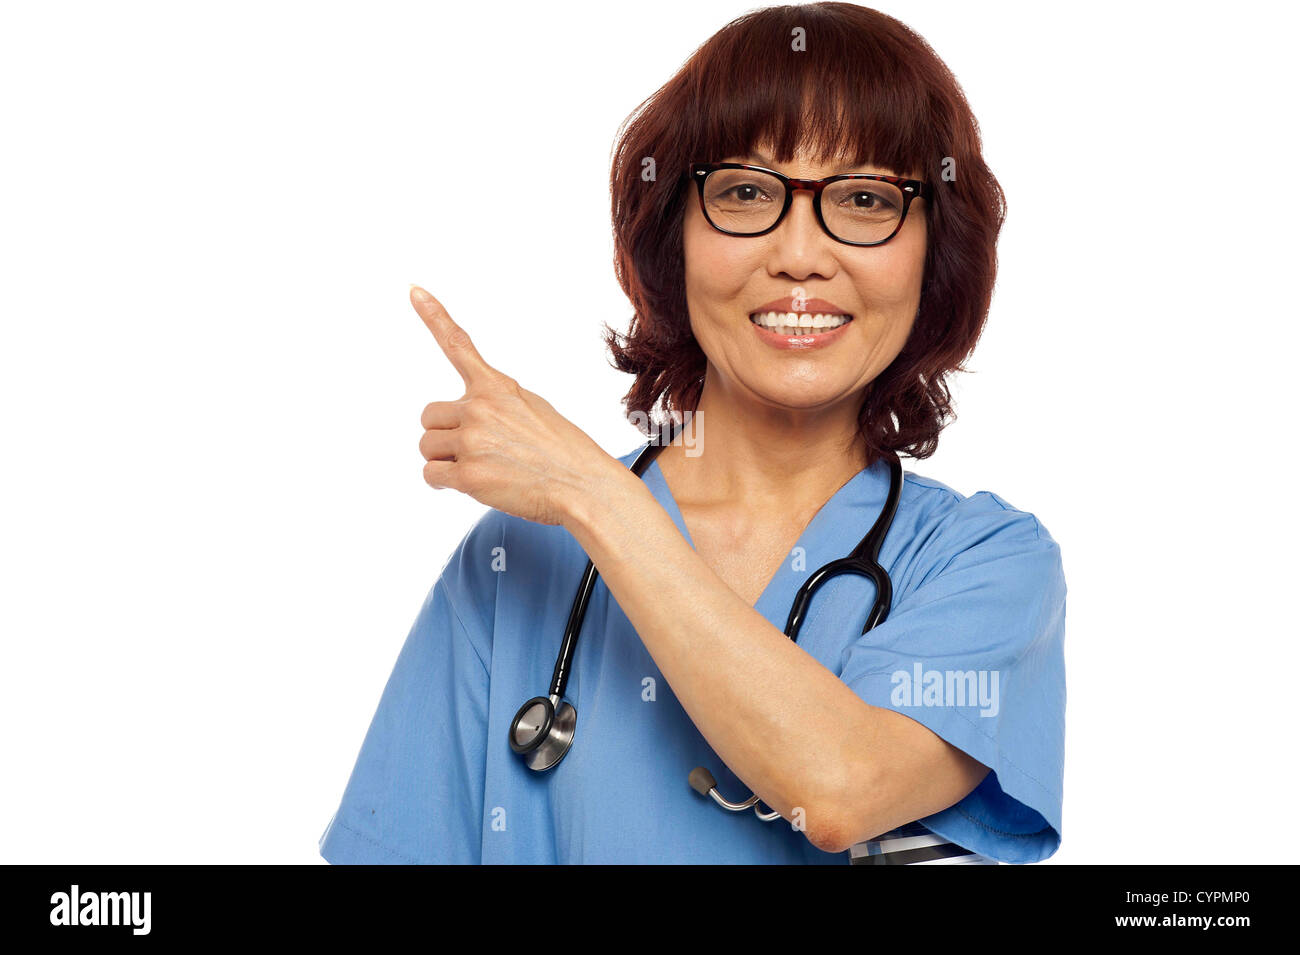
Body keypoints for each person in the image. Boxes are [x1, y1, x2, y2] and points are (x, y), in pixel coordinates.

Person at [319, 1, 1067, 865]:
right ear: (671, 235)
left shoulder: (987, 565)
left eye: (864, 199)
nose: (799, 255)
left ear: (936, 251)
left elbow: (839, 790)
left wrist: (594, 493)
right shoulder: (514, 564)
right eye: (746, 191)